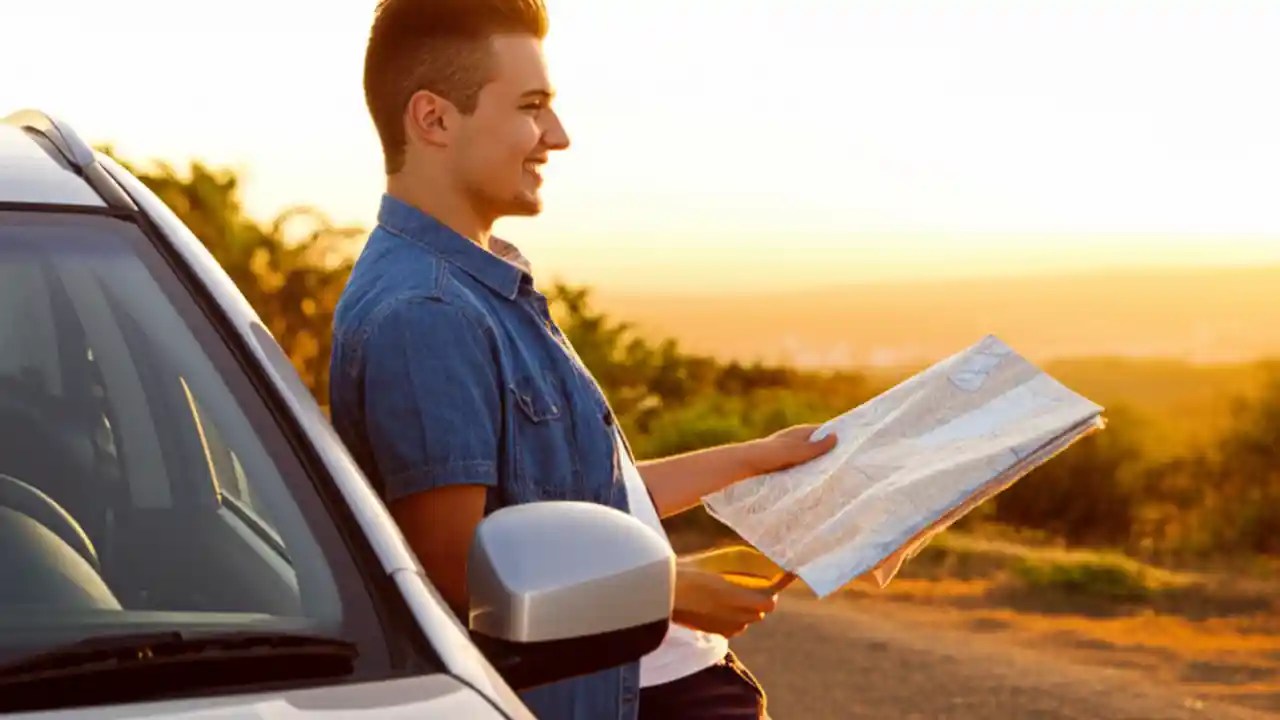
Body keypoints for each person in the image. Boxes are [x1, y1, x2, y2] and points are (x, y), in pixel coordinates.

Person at [329, 1, 837, 718]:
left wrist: (758, 458)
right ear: (434, 119)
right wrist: (672, 592)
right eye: (532, 107)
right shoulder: (426, 312)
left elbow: (580, 502)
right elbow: (455, 569)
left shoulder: (478, 289)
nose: (557, 137)